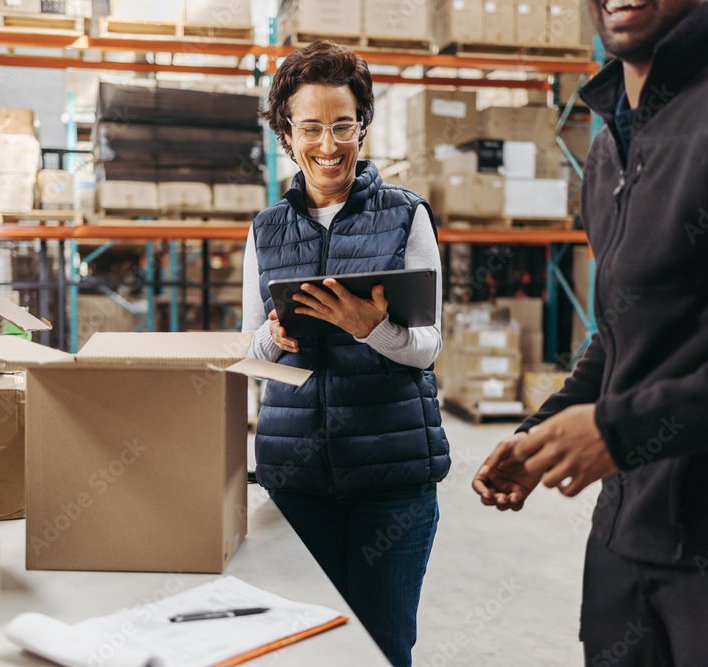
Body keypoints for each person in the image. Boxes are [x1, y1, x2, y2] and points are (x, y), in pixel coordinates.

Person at [473, 0, 708, 664]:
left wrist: (622, 432)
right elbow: (624, 332)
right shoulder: (611, 138)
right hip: (625, 549)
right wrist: (544, 429)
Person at [242, 40, 450, 667]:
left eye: (343, 125)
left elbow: (427, 347)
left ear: (363, 126)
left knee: (383, 648)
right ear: (286, 133)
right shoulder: (265, 230)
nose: (328, 145)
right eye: (310, 128)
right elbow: (249, 349)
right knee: (305, 651)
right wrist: (274, 339)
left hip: (392, 480)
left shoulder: (406, 215)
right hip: (297, 478)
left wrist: (372, 329)